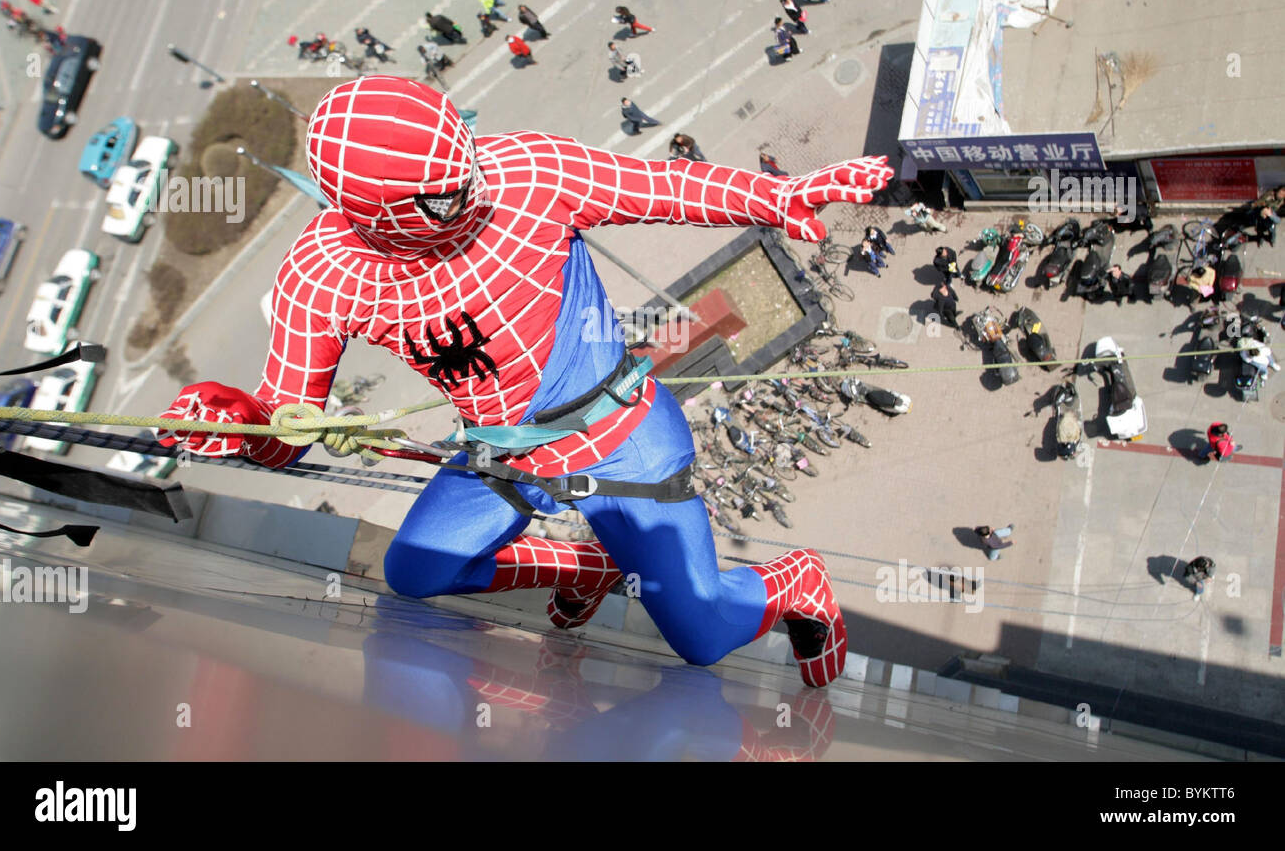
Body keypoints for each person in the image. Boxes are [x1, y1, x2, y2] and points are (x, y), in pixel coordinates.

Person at [156, 75, 894, 689]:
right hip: (503, 452)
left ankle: (794, 582)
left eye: (469, 156)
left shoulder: (527, 173)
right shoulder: (319, 277)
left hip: (618, 436)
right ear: (376, 214)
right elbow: (291, 429)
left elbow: (662, 187)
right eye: (449, 194)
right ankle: (590, 562)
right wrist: (239, 420)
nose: (478, 191)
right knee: (413, 570)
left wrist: (776, 198)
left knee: (702, 636)